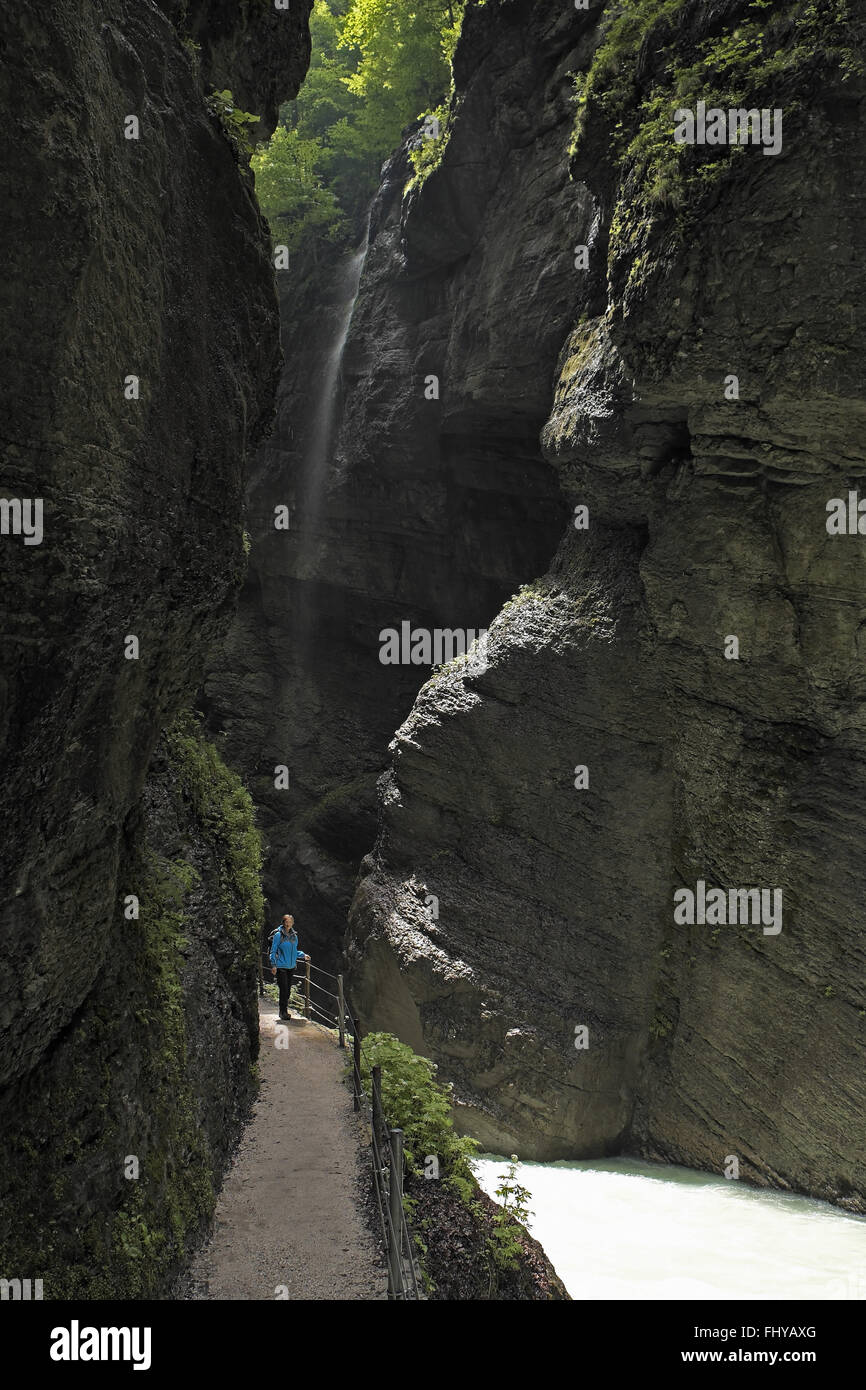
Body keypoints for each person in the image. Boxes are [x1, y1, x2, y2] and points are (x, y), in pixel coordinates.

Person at [269, 914, 309, 1021]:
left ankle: (284, 1010)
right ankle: (283, 1012)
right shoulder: (278, 935)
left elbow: (294, 951)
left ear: (292, 923)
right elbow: (273, 951)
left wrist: (303, 955)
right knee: (284, 989)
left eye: (290, 922)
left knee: (288, 990)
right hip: (281, 966)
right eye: (287, 922)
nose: (288, 924)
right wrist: (273, 965)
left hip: (291, 967)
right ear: (283, 922)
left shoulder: (294, 936)